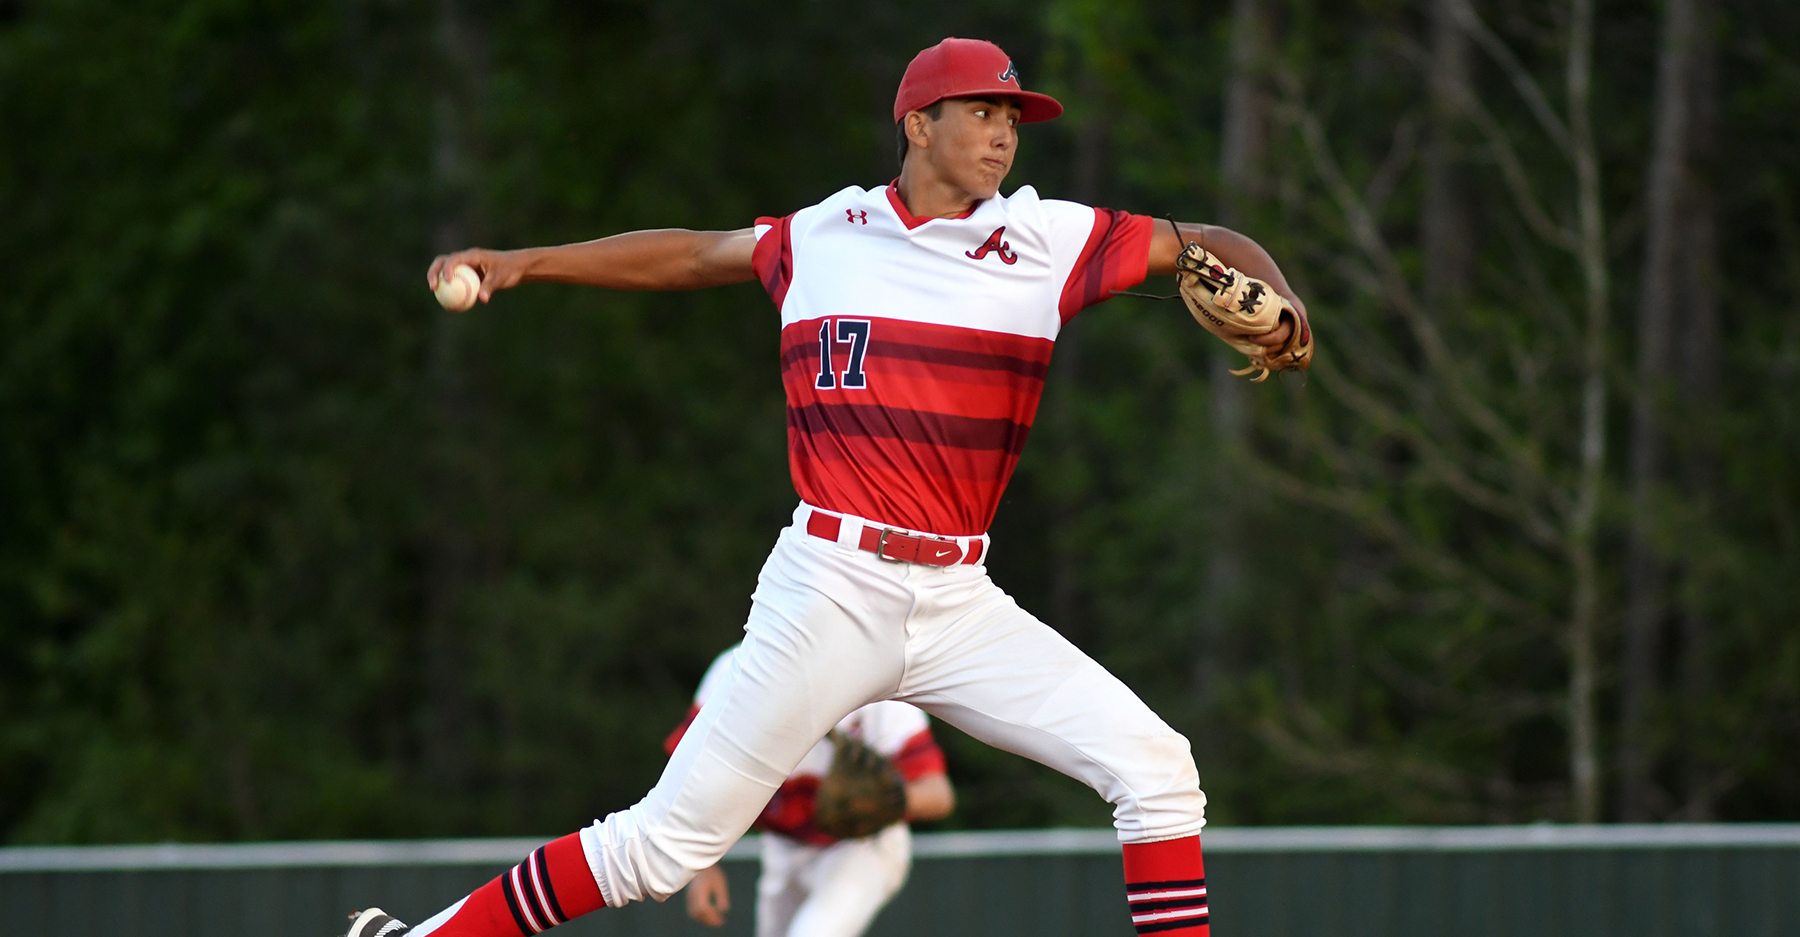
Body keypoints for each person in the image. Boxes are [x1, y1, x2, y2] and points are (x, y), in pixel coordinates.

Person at [347, 35, 1308, 937]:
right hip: (831, 587)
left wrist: (1286, 300)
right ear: (918, 123)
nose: (1006, 132)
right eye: (982, 111)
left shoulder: (1049, 239)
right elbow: (690, 254)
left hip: (959, 599)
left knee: (1157, 770)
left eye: (1016, 118)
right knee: (663, 848)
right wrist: (527, 263)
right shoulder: (822, 235)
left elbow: (1204, 240)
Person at [671, 644, 953, 937]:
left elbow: (939, 794)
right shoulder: (737, 670)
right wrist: (701, 865)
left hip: (862, 845)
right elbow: (692, 776)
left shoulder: (876, 676)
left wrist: (893, 799)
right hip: (783, 847)